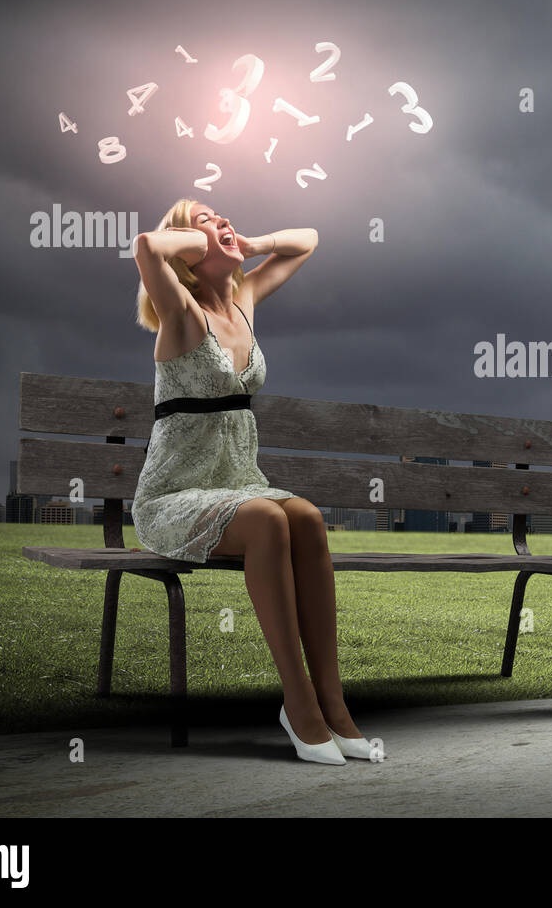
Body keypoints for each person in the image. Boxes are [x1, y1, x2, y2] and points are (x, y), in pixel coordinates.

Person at [130, 198, 376, 766]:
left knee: (307, 516)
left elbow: (307, 238)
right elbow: (146, 247)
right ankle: (299, 704)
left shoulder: (243, 302)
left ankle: (334, 704)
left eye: (222, 215)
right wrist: (198, 239)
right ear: (189, 253)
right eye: (207, 221)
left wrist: (245, 243)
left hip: (240, 483)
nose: (223, 222)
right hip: (174, 497)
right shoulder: (181, 311)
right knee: (269, 519)